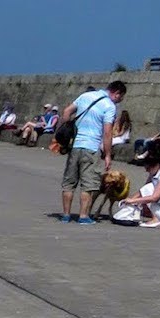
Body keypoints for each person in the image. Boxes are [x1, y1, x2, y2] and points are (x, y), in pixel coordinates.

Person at [58, 80, 126, 224]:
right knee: (89, 184)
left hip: (75, 145)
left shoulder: (85, 96)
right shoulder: (109, 106)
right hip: (91, 147)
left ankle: (65, 215)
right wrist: (107, 155)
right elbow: (107, 133)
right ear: (116, 93)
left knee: (69, 182)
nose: (119, 102)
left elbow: (66, 112)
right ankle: (83, 216)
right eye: (120, 98)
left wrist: (66, 132)